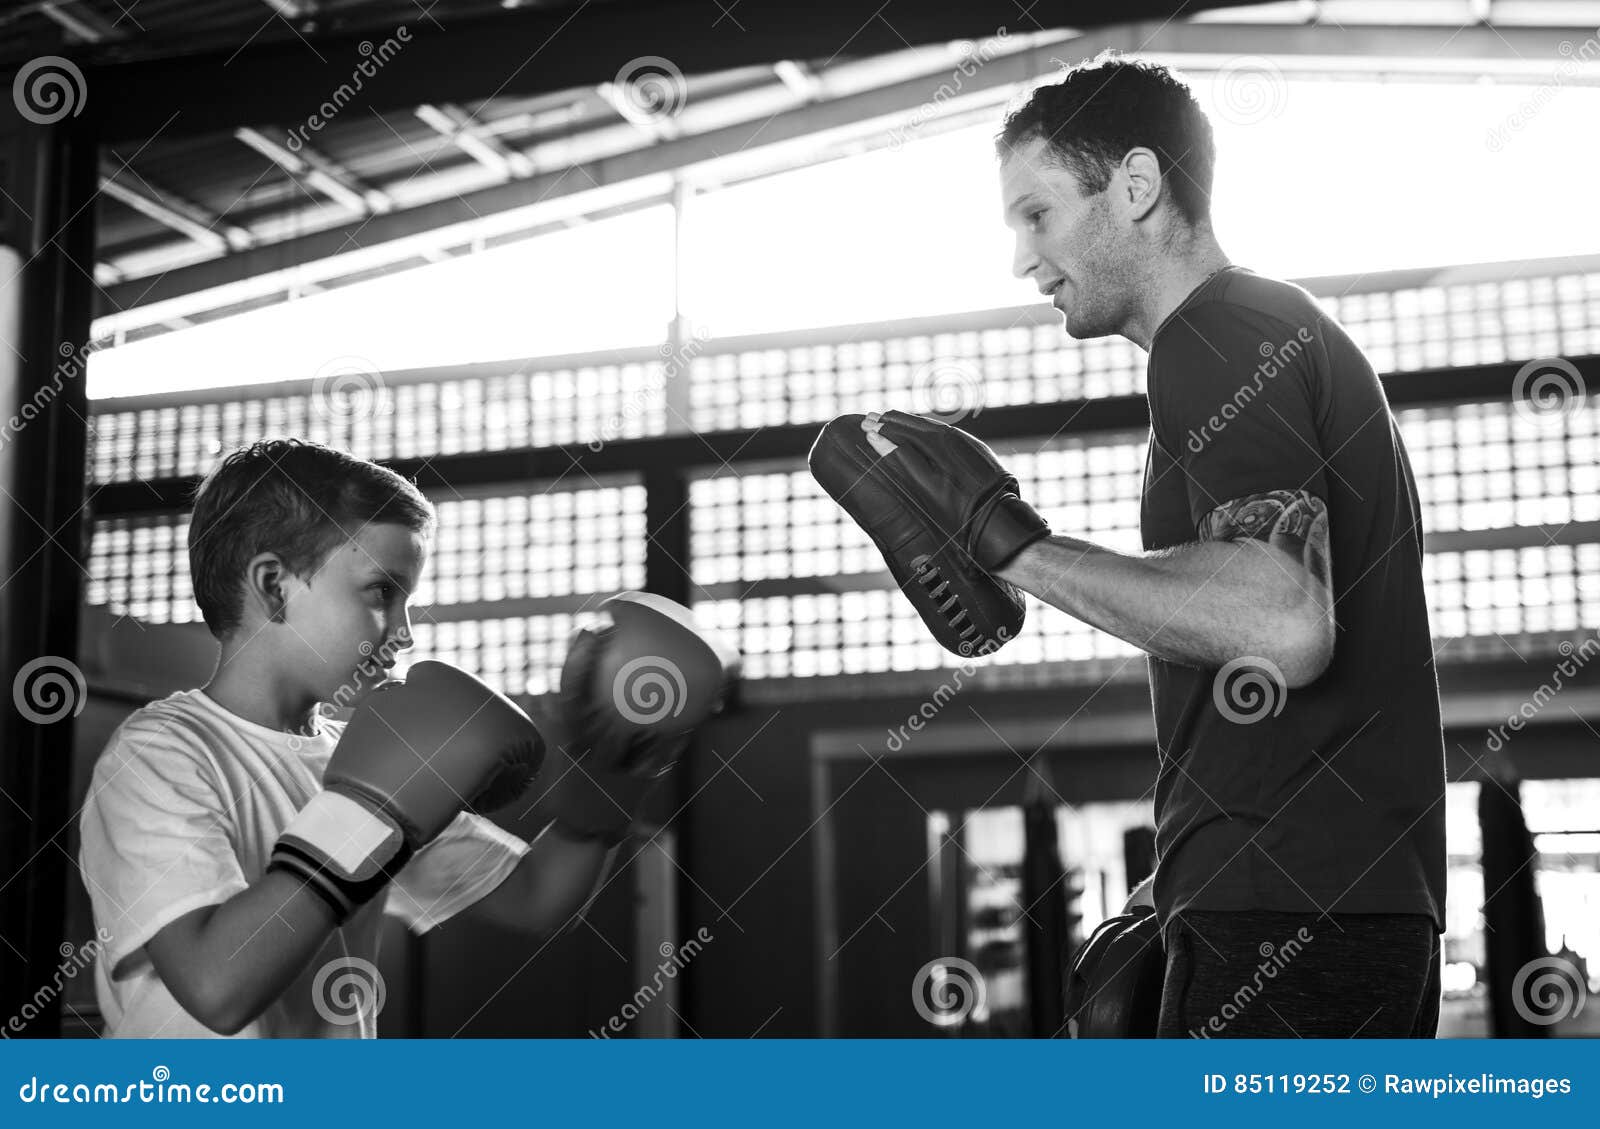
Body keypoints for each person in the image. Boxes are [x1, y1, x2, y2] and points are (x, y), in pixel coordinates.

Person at [853, 53, 1445, 1037]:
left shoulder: (1216, 336)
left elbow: (1283, 623)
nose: (1020, 260)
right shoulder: (1255, 336)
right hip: (1303, 900)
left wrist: (1014, 548)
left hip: (1289, 911)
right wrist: (1176, 876)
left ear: (1134, 186)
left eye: (1035, 214)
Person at [78, 438, 729, 1037]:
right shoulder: (160, 755)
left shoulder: (366, 752)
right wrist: (371, 810)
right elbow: (215, 987)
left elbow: (536, 895)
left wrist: (608, 769)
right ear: (275, 587)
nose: (405, 630)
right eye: (381, 591)